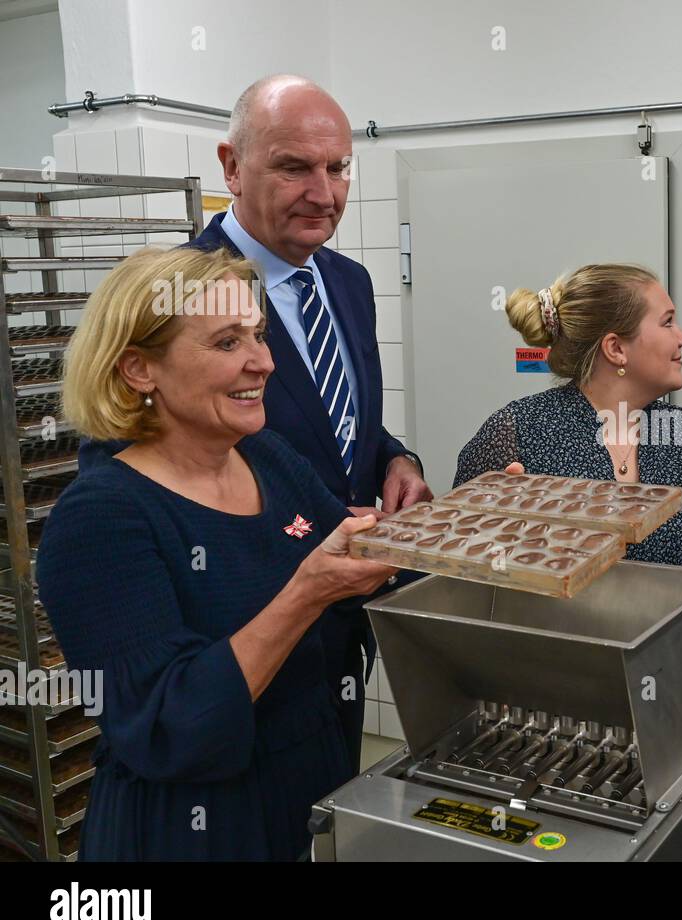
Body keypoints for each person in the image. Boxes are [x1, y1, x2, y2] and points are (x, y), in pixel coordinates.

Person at [79, 74, 431, 772]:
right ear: (232, 167)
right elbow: (126, 472)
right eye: (294, 167)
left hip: (338, 635)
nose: (325, 194)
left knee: (320, 809)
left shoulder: (347, 282)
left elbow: (341, 428)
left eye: (338, 169)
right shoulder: (177, 294)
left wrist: (397, 459)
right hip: (229, 655)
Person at [37, 247, 397, 859]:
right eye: (228, 343)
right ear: (138, 369)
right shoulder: (101, 521)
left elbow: (361, 559)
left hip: (307, 791)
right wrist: (306, 592)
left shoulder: (268, 458)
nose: (264, 362)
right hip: (195, 827)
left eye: (258, 335)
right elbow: (169, 726)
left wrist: (486, 523)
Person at [453, 265, 682, 753]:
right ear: (617, 349)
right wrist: (503, 538)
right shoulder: (517, 434)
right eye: (668, 322)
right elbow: (460, 582)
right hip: (551, 719)